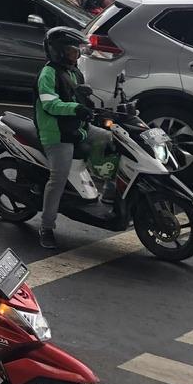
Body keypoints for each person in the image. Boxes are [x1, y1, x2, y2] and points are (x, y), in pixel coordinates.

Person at [34, 27, 110, 250]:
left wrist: (92, 108)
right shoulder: (48, 74)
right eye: (72, 50)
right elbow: (50, 104)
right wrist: (77, 109)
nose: (77, 54)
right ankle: (46, 227)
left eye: (77, 50)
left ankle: (109, 190)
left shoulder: (74, 72)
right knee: (58, 179)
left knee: (110, 139)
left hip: (77, 128)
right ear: (58, 51)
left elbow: (81, 96)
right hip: (56, 133)